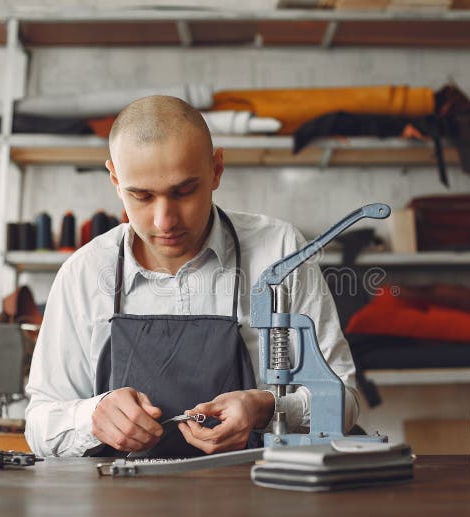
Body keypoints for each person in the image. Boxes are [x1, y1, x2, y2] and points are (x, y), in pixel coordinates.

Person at [25, 95, 360, 457]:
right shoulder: (84, 272)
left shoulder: (280, 251)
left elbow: (343, 400)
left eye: (184, 191)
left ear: (216, 169)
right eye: (142, 196)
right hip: (121, 491)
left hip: (255, 486)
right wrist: (92, 416)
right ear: (116, 180)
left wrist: (267, 408)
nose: (165, 221)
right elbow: (40, 425)